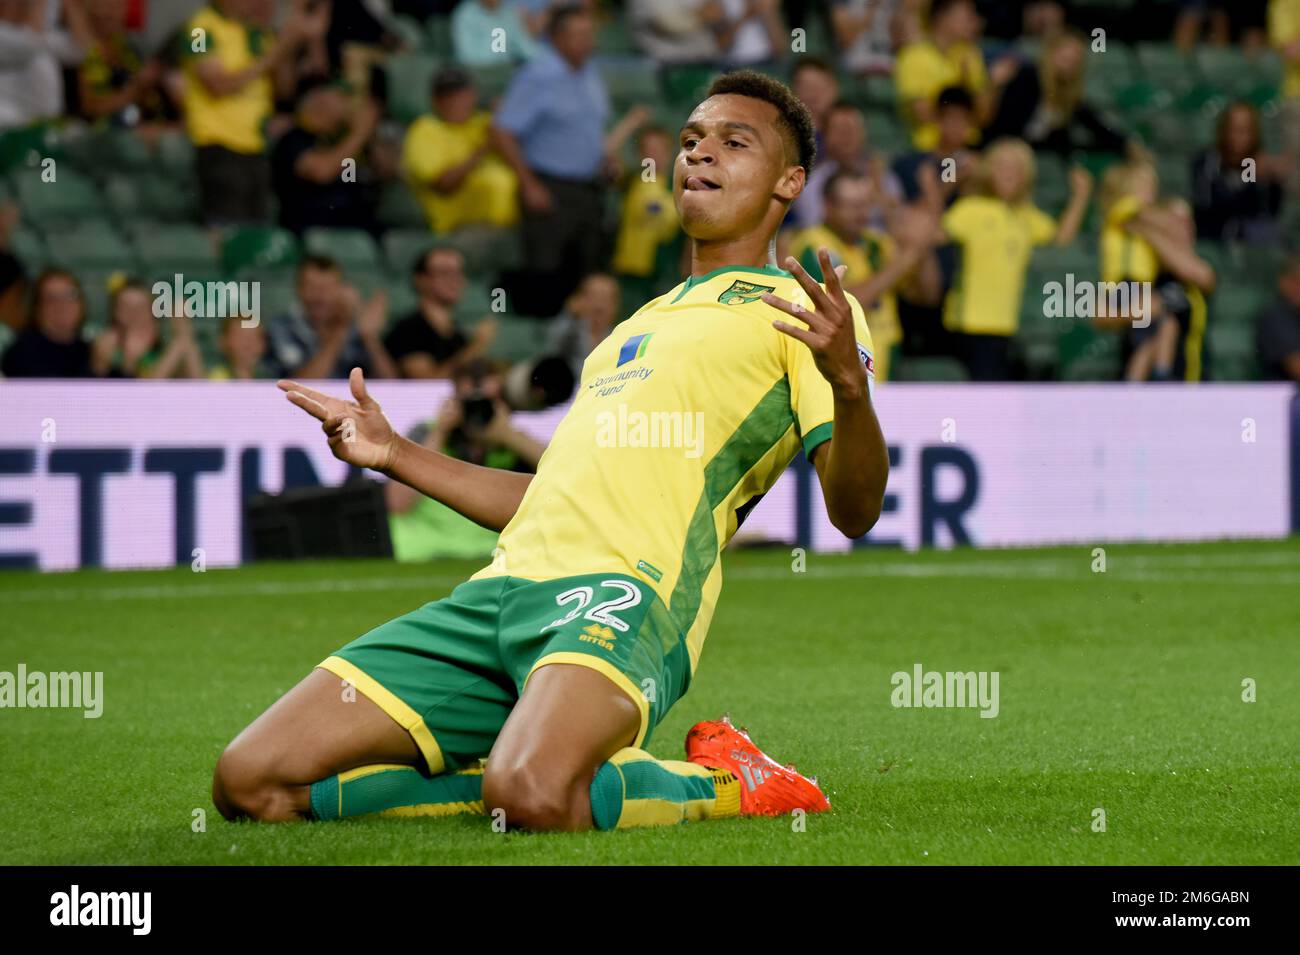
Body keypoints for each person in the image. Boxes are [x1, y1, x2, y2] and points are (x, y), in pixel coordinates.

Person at [215, 69, 938, 832]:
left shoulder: (804, 312)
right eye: (690, 140)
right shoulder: (627, 333)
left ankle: (729, 779)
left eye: (733, 142)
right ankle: (526, 755)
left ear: (789, 181)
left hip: (624, 598)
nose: (699, 155)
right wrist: (395, 451)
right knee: (251, 782)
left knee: (529, 795)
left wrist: (849, 391)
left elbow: (855, 510)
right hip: (499, 592)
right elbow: (545, 497)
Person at [491, 4, 621, 315]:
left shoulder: (591, 73)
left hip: (589, 188)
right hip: (550, 188)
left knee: (586, 274)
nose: (588, 41)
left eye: (590, 34)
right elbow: (502, 131)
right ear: (558, 38)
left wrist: (607, 159)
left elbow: (591, 128)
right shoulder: (537, 75)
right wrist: (529, 184)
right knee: (546, 276)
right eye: (580, 35)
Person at [939, 137, 1092, 380]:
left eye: (1015, 168)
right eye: (1001, 166)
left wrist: (1080, 196)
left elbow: (1060, 237)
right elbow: (936, 234)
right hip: (970, 323)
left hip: (1009, 325)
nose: (1008, 174)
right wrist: (950, 182)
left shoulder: (1025, 216)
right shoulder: (971, 208)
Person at [181, 0, 327, 226]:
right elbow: (217, 85)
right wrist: (275, 53)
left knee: (256, 232)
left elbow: (284, 89)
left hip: (257, 147)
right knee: (228, 230)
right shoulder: (200, 29)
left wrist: (290, 43)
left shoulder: (256, 33)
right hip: (219, 144)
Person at [387, 360, 545, 562]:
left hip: (494, 550)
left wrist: (508, 435)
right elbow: (397, 503)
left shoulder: (513, 440)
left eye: (490, 402)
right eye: (469, 403)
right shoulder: (427, 432)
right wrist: (441, 431)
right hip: (425, 546)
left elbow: (564, 476)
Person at [791, 170, 931, 382]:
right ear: (828, 206)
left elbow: (925, 294)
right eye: (852, 205)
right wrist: (904, 260)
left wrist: (919, 245)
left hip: (887, 359)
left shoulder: (876, 242)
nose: (861, 213)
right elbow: (844, 302)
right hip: (840, 368)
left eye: (865, 204)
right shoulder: (813, 244)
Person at [402, 67, 519, 234]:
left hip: (515, 223)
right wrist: (485, 147)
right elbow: (443, 185)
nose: (454, 102)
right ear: (435, 101)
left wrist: (509, 120)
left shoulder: (487, 122)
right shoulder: (425, 129)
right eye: (446, 97)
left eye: (460, 95)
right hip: (462, 226)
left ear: (473, 96)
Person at [983, 28, 1128, 159]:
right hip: (1003, 151)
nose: (1070, 62)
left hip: (1032, 157)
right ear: (1051, 52)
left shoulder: (1068, 95)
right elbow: (1004, 125)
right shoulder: (1027, 78)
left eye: (1075, 59)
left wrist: (1126, 144)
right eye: (1065, 55)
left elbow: (1093, 122)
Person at [893, 0, 1014, 150]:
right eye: (966, 14)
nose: (973, 20)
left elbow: (984, 116)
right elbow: (921, 112)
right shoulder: (913, 56)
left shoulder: (970, 54)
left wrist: (992, 84)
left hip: (970, 148)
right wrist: (963, 97)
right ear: (943, 16)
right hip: (929, 148)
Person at [271, 78, 380, 236]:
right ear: (320, 100)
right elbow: (321, 172)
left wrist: (367, 136)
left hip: (353, 229)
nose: (349, 103)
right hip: (313, 230)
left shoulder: (339, 142)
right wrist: (360, 133)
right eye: (342, 96)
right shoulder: (292, 139)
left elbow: (355, 175)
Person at [265, 255, 397, 379]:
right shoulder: (282, 327)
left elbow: (392, 388)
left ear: (341, 290)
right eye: (311, 286)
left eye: (328, 287)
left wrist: (370, 337)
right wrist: (340, 329)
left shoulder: (357, 328)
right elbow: (299, 388)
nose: (319, 295)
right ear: (298, 289)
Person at [384, 246, 496, 379]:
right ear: (421, 280)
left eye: (459, 273)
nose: (455, 280)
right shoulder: (408, 331)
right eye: (445, 273)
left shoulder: (457, 335)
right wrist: (476, 346)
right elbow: (426, 386)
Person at [1191, 101, 1287, 244]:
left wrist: (1272, 182)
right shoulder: (1208, 161)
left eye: (1245, 131)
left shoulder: (1252, 163)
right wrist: (1254, 181)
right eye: (1233, 129)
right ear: (1223, 130)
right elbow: (1208, 207)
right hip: (1212, 240)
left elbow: (1265, 212)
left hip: (1250, 245)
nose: (1238, 137)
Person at [610, 125, 681, 303]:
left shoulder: (680, 186)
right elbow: (608, 154)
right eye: (650, 150)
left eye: (660, 149)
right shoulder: (633, 180)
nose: (655, 155)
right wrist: (633, 121)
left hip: (665, 275)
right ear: (641, 154)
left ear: (669, 153)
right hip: (628, 273)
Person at [90, 277, 205, 378]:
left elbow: (200, 389)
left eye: (142, 307)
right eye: (126, 307)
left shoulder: (165, 348)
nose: (134, 314)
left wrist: (183, 331)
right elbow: (140, 395)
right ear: (114, 312)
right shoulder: (107, 347)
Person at [1, 269, 92, 377]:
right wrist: (95, 369)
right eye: (51, 298)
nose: (62, 305)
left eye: (70, 294)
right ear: (37, 308)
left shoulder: (88, 350)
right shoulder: (23, 352)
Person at [545, 271, 619, 381]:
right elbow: (553, 348)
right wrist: (570, 315)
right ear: (580, 300)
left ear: (615, 305)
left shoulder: (619, 337)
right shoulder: (570, 330)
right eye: (594, 297)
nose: (599, 305)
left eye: (606, 299)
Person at [1256, 252, 1300, 380]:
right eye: (1297, 281)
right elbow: (1297, 366)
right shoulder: (1275, 316)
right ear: (1283, 281)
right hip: (1280, 396)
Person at [451, 0, 538, 65]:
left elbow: (527, 49)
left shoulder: (509, 13)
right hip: (479, 75)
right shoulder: (465, 15)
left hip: (509, 73)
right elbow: (467, 58)